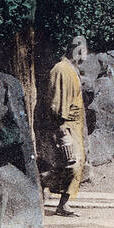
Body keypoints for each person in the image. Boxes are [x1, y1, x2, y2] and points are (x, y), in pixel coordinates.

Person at [46, 35, 87, 217]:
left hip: (75, 124)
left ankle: (63, 203)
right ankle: (53, 197)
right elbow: (58, 101)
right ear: (77, 49)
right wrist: (61, 125)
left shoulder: (71, 69)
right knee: (72, 163)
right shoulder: (62, 70)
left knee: (75, 163)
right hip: (66, 123)